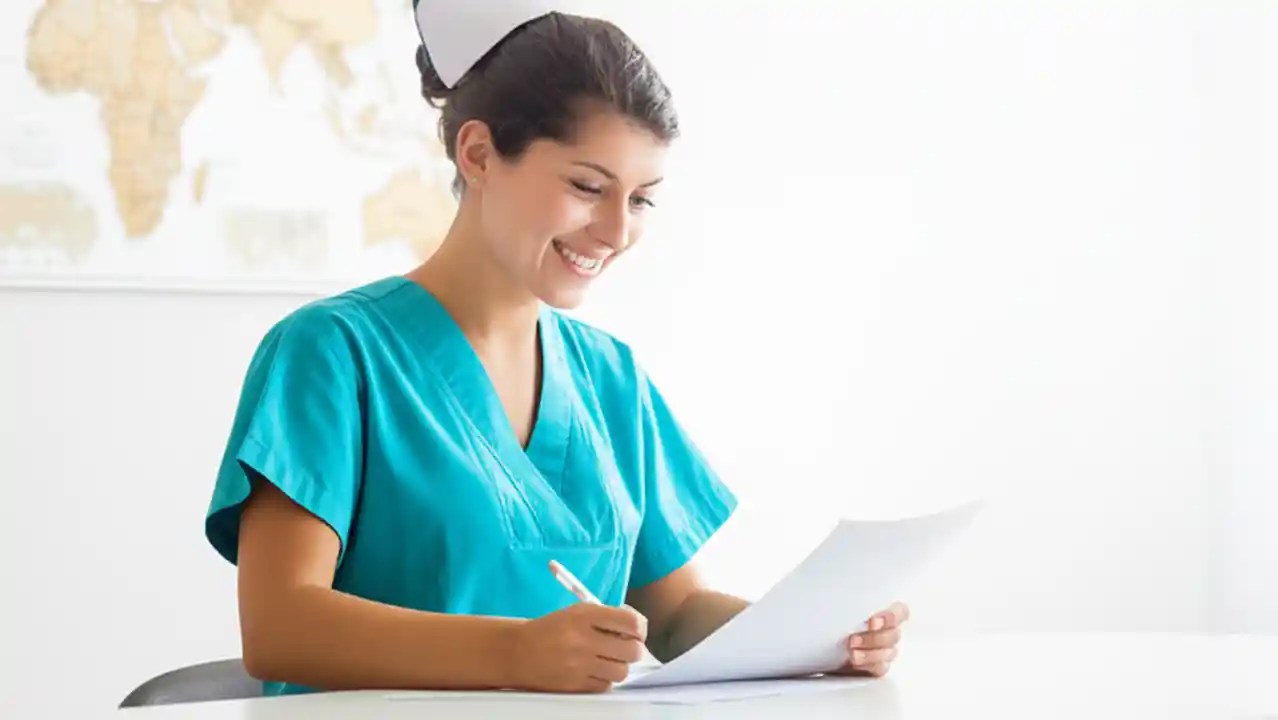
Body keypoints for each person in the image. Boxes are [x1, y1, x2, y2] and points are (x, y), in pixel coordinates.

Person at [203, 0, 909, 696]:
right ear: (477, 154)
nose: (616, 231)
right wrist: (515, 653)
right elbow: (280, 627)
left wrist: (817, 641)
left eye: (641, 200)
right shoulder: (332, 355)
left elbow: (675, 614)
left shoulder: (610, 378)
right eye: (586, 187)